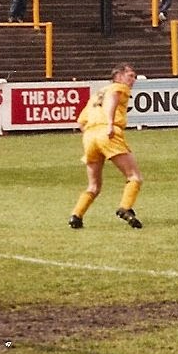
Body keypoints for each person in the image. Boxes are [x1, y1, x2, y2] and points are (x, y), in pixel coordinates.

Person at [69, 63, 145, 230]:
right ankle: (125, 208)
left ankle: (76, 215)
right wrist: (110, 124)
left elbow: (81, 122)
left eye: (134, 77)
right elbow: (113, 98)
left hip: (90, 136)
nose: (133, 80)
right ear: (118, 76)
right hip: (107, 132)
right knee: (134, 177)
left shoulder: (97, 94)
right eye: (130, 76)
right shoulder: (118, 88)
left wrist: (93, 135)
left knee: (94, 186)